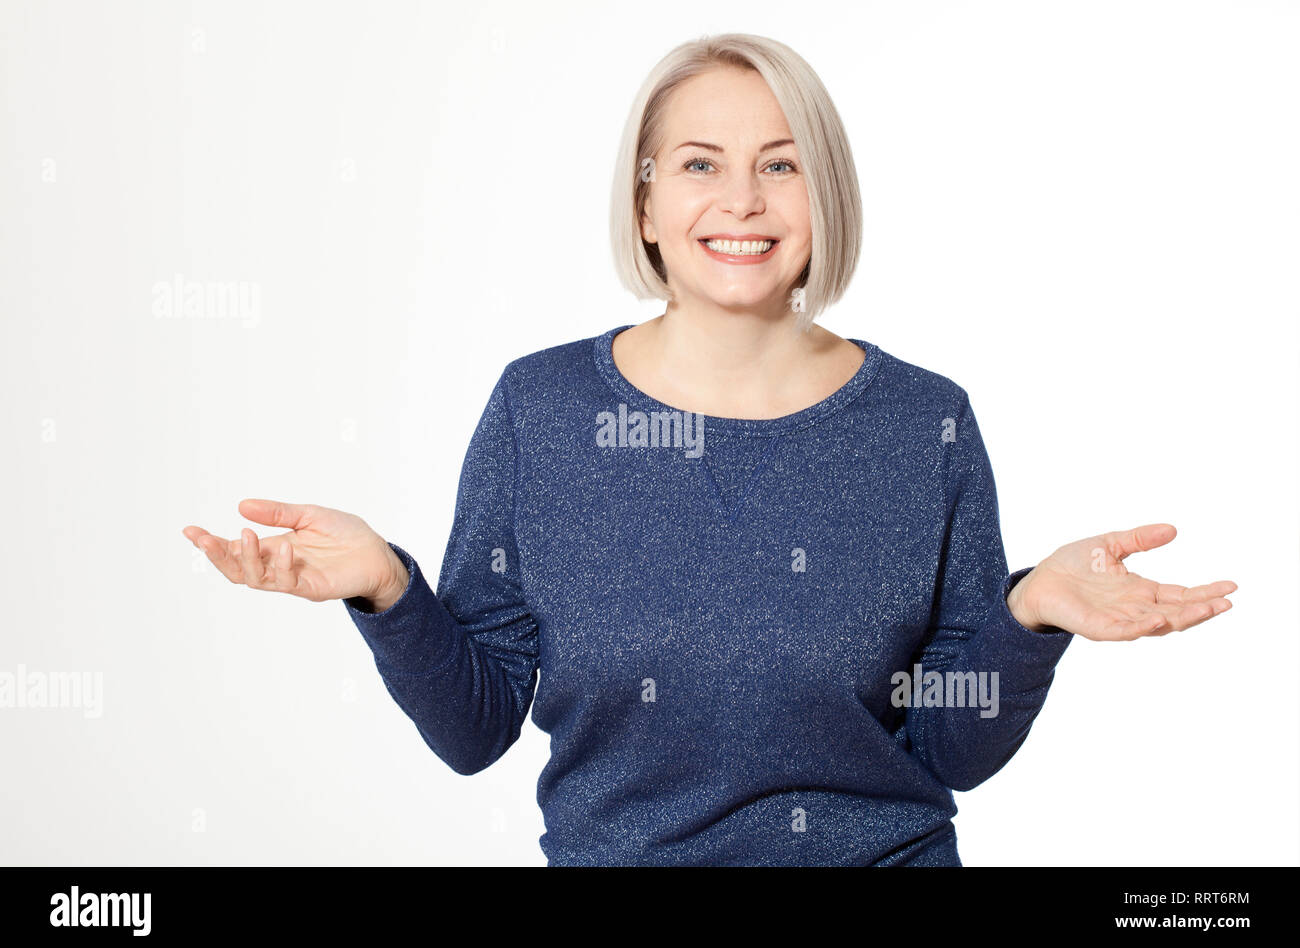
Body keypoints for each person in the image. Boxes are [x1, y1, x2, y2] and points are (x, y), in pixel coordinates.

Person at [181, 33, 1236, 865]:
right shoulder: (537, 409)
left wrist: (1028, 615)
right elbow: (476, 725)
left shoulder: (926, 423)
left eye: (781, 164)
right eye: (699, 164)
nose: (741, 200)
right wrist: (387, 588)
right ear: (645, 202)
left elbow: (948, 747)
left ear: (824, 194)